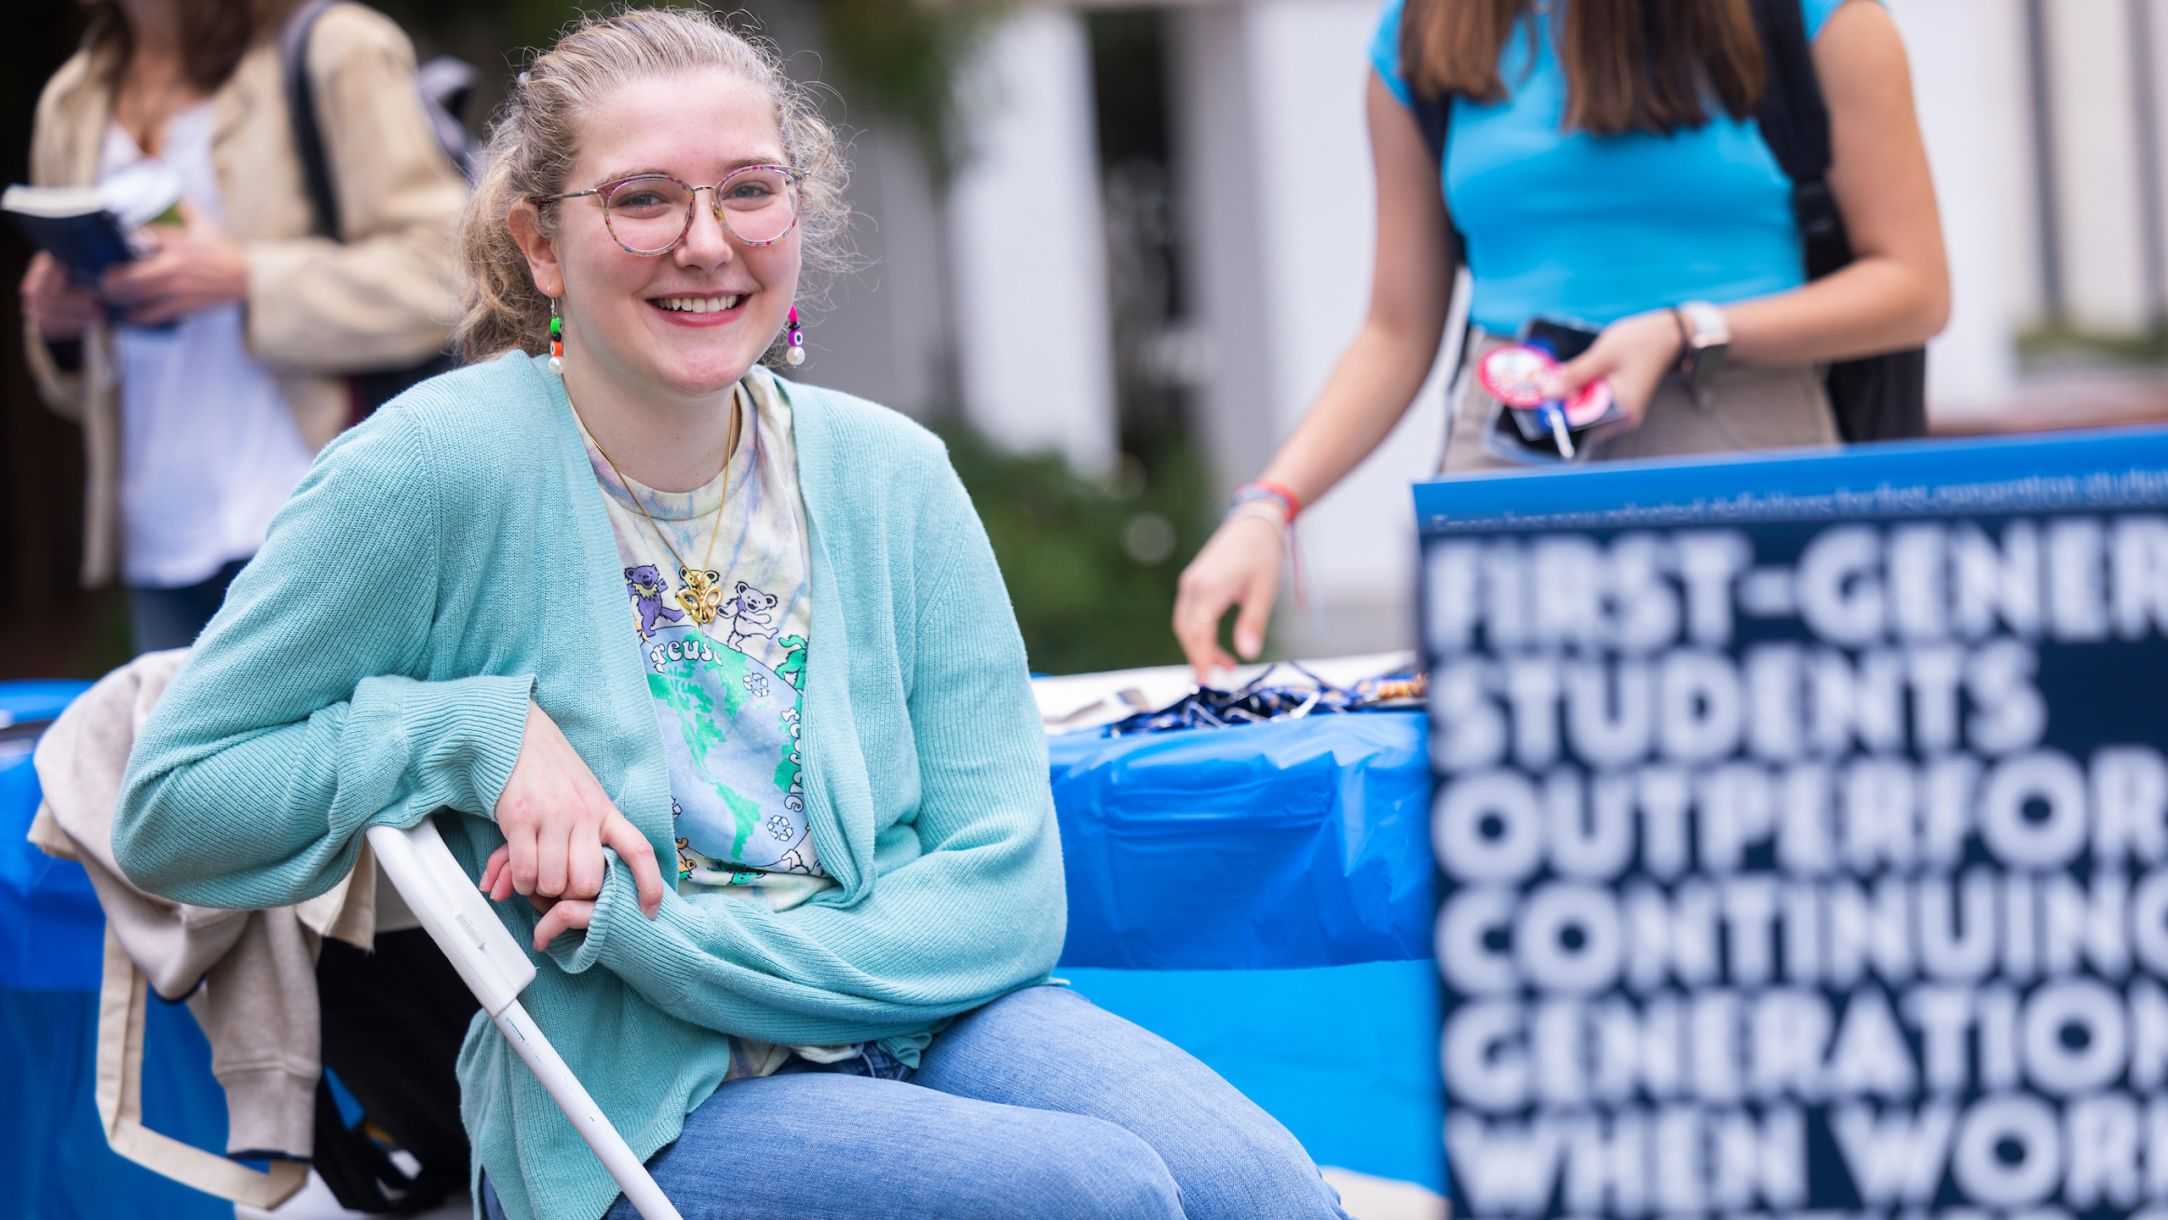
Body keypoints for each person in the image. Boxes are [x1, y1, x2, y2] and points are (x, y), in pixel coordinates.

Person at [110, 10, 1350, 1220]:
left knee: (1267, 1190)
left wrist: (682, 950)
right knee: (1092, 1195)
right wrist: (465, 729)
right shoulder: (435, 469)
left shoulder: (891, 471)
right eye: (643, 199)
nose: (705, 242)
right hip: (639, 1090)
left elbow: (1008, 890)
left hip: (917, 1011)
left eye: (749, 191)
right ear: (540, 243)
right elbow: (173, 804)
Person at [1172, 0, 1949, 679]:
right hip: (1510, 462)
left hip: (1741, 439)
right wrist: (1269, 507)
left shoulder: (1810, 17)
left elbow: (1914, 286)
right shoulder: (1419, 32)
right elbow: (1395, 331)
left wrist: (1687, 331)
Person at [19, 0, 465, 653]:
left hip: (326, 523)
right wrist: (61, 324)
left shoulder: (336, 48)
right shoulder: (73, 96)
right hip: (160, 538)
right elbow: (74, 385)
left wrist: (246, 279)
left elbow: (452, 275)